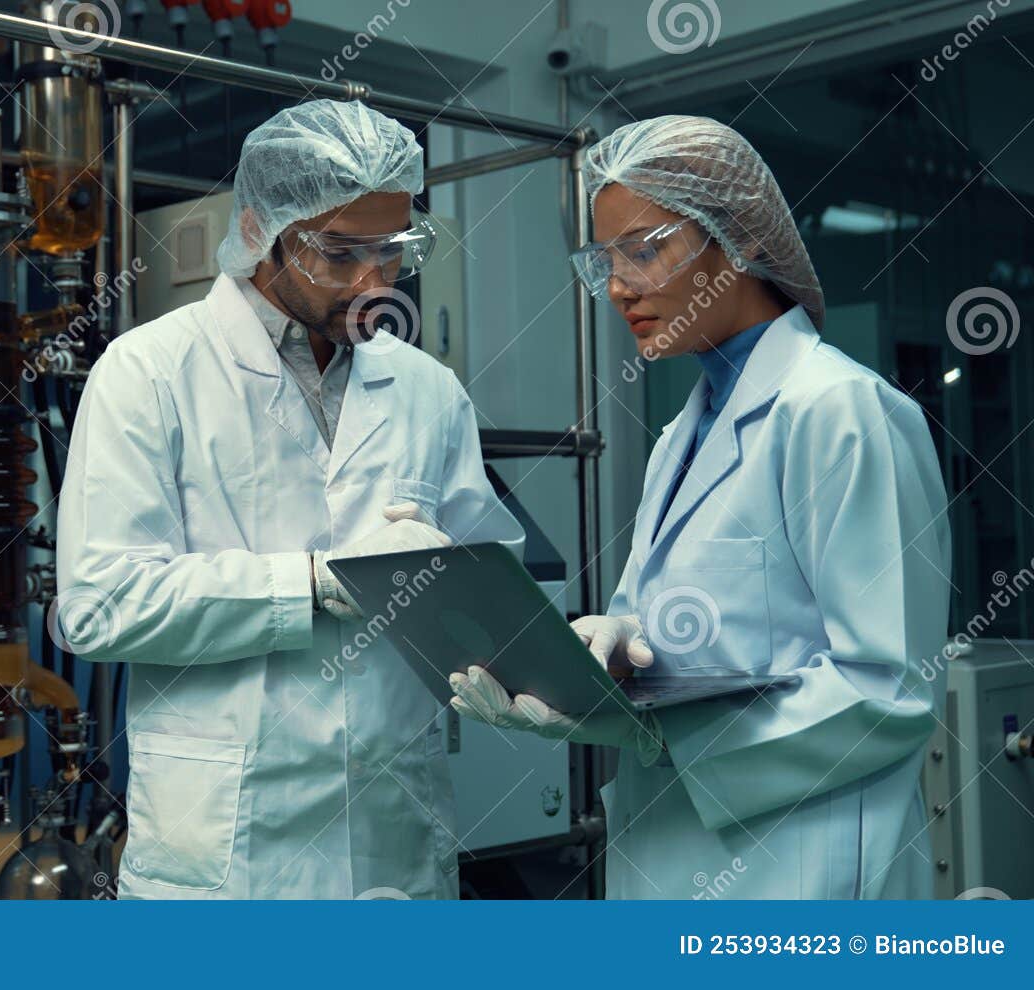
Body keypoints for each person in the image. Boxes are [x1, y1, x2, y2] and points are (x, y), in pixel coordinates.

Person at [450, 115, 951, 899]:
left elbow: (890, 688)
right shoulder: (683, 432)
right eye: (604, 260)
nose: (617, 287)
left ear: (738, 238)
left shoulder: (840, 410)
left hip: (801, 871)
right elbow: (672, 648)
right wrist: (601, 665)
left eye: (644, 250)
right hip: (671, 853)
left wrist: (659, 726)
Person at [57, 99, 524, 899]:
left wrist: (540, 658)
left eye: (393, 251)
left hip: (392, 834)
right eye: (341, 254)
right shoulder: (149, 373)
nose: (374, 283)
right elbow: (100, 606)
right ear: (257, 230)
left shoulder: (426, 390)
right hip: (231, 849)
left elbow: (486, 577)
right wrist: (313, 581)